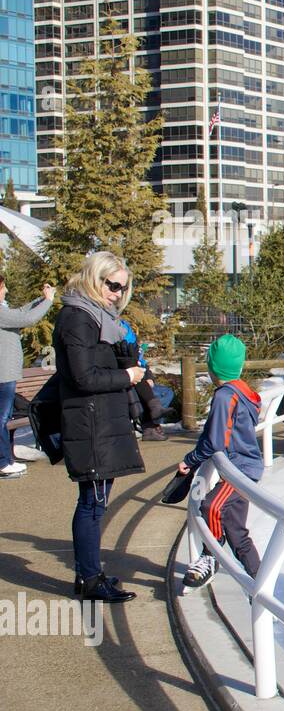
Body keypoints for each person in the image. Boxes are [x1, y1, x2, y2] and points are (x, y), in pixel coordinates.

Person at [54, 252, 146, 603]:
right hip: (89, 423)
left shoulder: (97, 317)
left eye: (123, 288)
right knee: (92, 504)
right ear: (95, 278)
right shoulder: (79, 317)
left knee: (95, 503)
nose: (118, 294)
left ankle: (90, 574)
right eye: (112, 286)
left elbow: (95, 365)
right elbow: (82, 376)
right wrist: (126, 375)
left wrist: (126, 358)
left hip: (98, 420)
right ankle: (89, 579)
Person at [180, 335, 265, 589]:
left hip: (239, 469)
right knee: (238, 534)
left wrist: (192, 459)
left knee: (211, 506)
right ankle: (261, 584)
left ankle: (211, 555)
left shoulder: (225, 397)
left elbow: (215, 440)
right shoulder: (241, 391)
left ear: (212, 367)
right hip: (244, 467)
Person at [0, 277, 54, 478]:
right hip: (3, 375)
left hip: (5, 374)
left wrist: (40, 299)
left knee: (3, 418)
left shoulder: (3, 311)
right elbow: (27, 319)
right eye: (4, 287)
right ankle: (3, 463)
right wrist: (48, 301)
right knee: (2, 419)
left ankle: (5, 461)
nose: (6, 291)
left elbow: (20, 313)